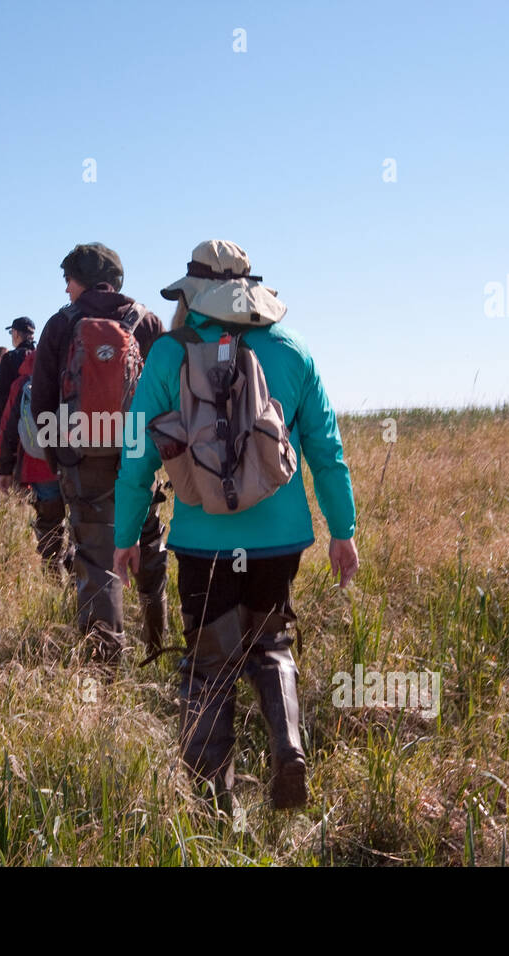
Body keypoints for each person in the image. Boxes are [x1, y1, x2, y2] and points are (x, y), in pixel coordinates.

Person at [112, 240, 359, 812]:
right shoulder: (293, 351)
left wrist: (127, 534)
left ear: (193, 291)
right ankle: (289, 744)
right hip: (280, 539)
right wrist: (342, 529)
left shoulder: (169, 354)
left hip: (203, 542)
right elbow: (327, 450)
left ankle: (213, 810)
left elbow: (135, 455)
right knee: (271, 643)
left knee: (207, 665)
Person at [29, 242, 168, 666]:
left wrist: (60, 459)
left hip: (82, 455)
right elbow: (168, 393)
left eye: (67, 279)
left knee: (95, 557)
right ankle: (157, 643)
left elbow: (42, 405)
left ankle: (105, 671)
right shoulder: (147, 321)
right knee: (146, 540)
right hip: (138, 453)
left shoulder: (60, 324)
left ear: (79, 279)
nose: (66, 288)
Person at [0, 348, 68, 575]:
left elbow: (8, 428)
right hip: (77, 463)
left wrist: (4, 468)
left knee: (49, 521)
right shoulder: (74, 375)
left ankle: (52, 573)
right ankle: (81, 578)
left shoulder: (22, 384)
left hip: (40, 465)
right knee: (81, 522)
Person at [0, 317, 36, 415]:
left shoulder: (10, 357)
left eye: (11, 333)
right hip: (41, 417)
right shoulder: (41, 355)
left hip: (16, 417)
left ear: (16, 333)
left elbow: (2, 391)